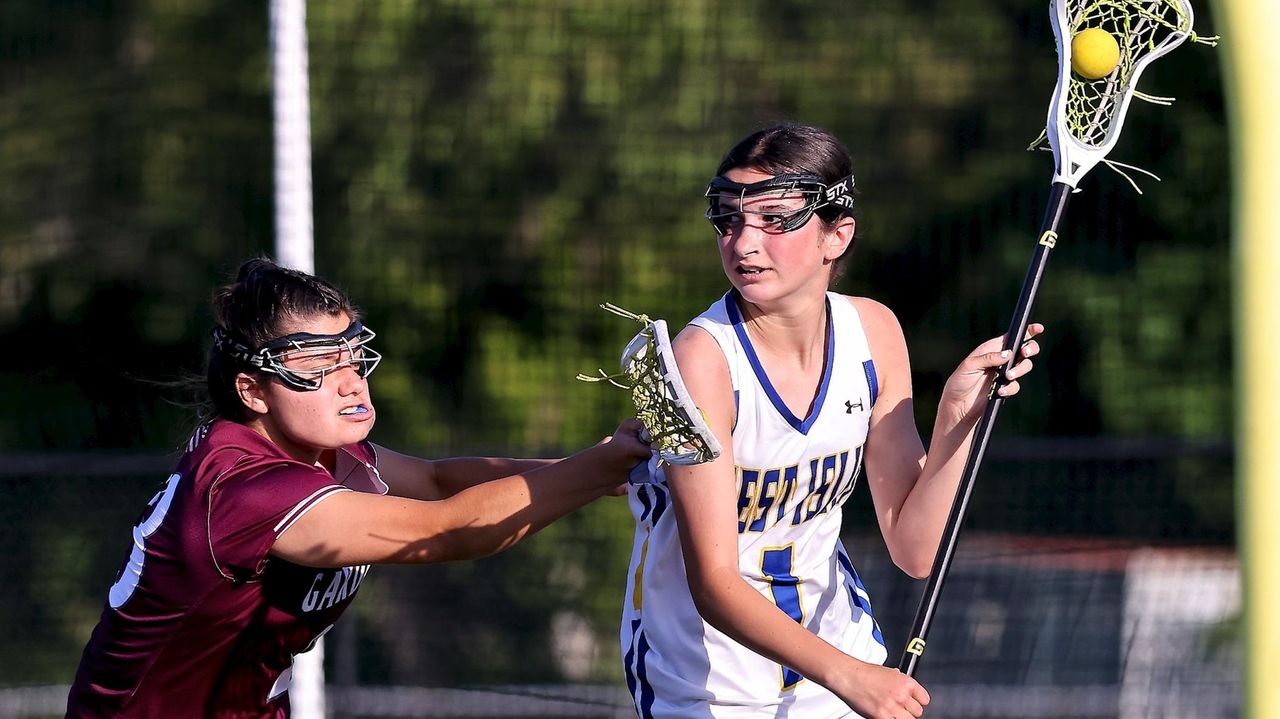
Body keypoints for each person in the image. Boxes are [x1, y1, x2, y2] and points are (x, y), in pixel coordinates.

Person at [66, 257, 651, 718]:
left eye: (351, 355)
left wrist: (596, 466)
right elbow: (443, 529)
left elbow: (436, 479)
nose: (348, 383)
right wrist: (597, 468)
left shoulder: (323, 450)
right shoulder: (247, 490)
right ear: (252, 392)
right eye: (318, 367)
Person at [618, 123, 1044, 719]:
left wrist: (956, 419)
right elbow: (714, 583)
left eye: (775, 218)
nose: (744, 243)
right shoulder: (701, 360)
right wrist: (854, 678)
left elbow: (916, 550)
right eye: (729, 217)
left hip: (834, 651)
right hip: (705, 679)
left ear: (836, 234)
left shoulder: (872, 331)